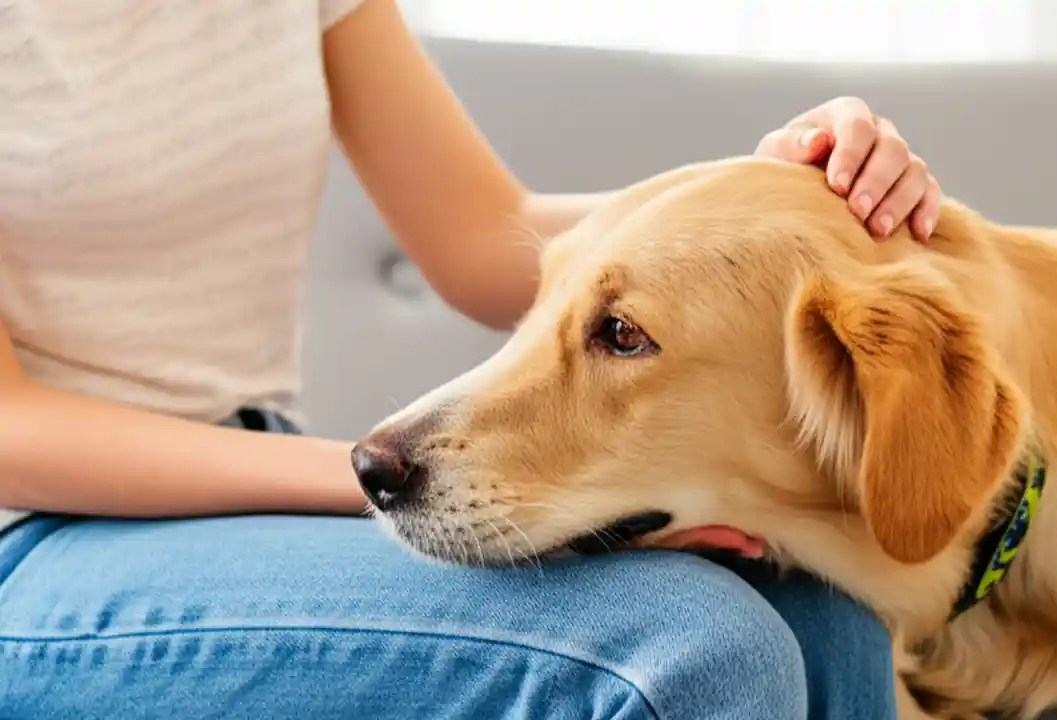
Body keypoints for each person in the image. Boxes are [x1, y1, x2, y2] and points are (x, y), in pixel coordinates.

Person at [0, 1, 941, 718]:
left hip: (244, 479)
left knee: (825, 615)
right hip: (31, 539)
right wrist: (371, 478)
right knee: (698, 650)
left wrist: (764, 195)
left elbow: (480, 243)